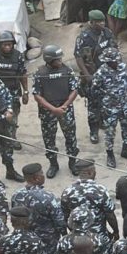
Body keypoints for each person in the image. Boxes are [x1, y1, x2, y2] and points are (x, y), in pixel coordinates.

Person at [32, 45, 80, 178]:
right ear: (49, 60)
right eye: (57, 59)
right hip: (48, 112)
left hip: (65, 110)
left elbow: (74, 90)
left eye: (60, 59)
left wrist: (64, 106)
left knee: (71, 137)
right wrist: (53, 109)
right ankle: (53, 164)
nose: (60, 61)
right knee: (49, 140)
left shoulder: (67, 70)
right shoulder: (40, 73)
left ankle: (72, 162)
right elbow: (37, 95)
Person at [74, 9, 117, 143]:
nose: (102, 23)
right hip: (92, 74)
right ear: (91, 22)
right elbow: (78, 56)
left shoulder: (107, 33)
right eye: (98, 22)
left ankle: (102, 121)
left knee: (106, 101)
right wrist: (86, 75)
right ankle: (94, 131)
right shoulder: (84, 37)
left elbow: (115, 50)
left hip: (106, 73)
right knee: (93, 104)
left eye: (103, 20)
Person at [92, 47, 127, 168]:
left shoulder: (123, 67)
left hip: (125, 105)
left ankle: (126, 149)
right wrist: (102, 104)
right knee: (110, 132)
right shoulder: (101, 72)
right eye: (114, 60)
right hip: (110, 108)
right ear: (108, 61)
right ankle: (110, 154)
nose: (117, 61)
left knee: (126, 128)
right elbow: (94, 90)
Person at [61, 159, 119, 249]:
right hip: (99, 237)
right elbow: (110, 215)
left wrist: (71, 232)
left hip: (78, 239)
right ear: (90, 172)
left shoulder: (67, 191)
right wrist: (116, 231)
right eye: (94, 170)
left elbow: (65, 216)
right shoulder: (101, 190)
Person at [11, 163, 66, 254]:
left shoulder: (16, 195)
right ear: (36, 178)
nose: (43, 176)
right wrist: (64, 235)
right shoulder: (47, 197)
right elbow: (59, 221)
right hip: (47, 239)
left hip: (25, 238)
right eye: (42, 173)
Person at [0, 30, 27, 150]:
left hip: (13, 91)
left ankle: (12, 138)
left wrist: (26, 92)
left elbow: (22, 74)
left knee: (13, 117)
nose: (7, 47)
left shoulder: (18, 56)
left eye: (9, 44)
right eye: (4, 44)